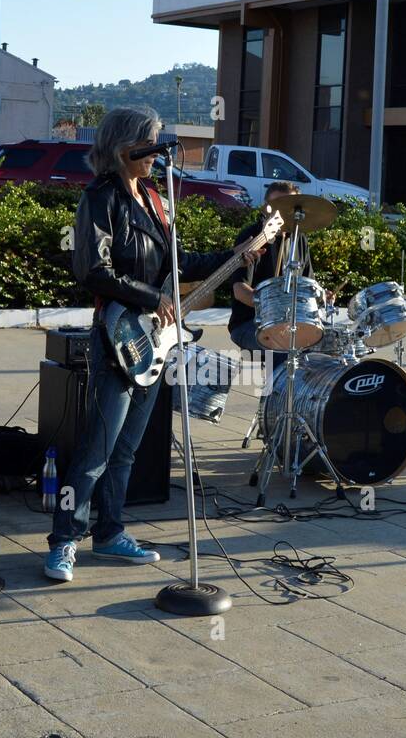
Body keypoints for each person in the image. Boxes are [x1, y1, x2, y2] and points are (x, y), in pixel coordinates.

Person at [44, 107, 257, 582]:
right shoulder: (101, 197)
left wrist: (237, 255)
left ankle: (110, 534)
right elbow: (91, 270)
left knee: (127, 451)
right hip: (118, 337)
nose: (158, 156)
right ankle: (62, 542)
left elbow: (183, 262)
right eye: (151, 146)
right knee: (96, 450)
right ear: (126, 149)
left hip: (155, 340)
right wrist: (152, 296)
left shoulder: (157, 202)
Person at [227, 181, 317, 370]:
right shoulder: (252, 238)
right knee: (282, 347)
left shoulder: (299, 239)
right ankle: (274, 399)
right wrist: (271, 305)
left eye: (288, 206)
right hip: (250, 324)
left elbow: (309, 284)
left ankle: (308, 399)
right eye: (277, 205)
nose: (282, 211)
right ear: (266, 207)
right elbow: (240, 291)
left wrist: (320, 295)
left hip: (292, 323)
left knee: (326, 343)